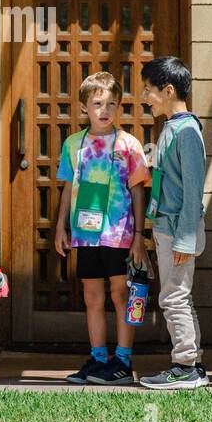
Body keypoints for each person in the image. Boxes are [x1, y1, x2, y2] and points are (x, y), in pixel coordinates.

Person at [54, 71, 149, 386]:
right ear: (84, 107)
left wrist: (138, 236)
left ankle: (122, 360)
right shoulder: (73, 144)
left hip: (119, 234)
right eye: (97, 104)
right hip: (85, 234)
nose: (104, 110)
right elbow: (68, 187)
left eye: (111, 104)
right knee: (92, 297)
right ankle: (97, 359)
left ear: (119, 106)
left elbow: (138, 189)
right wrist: (60, 228)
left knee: (121, 294)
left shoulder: (128, 144)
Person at [138, 56, 210, 389]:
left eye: (148, 90)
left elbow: (194, 191)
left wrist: (183, 240)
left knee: (174, 297)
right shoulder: (174, 128)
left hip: (178, 229)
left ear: (168, 91)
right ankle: (192, 364)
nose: (144, 97)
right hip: (169, 227)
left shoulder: (186, 132)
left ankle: (185, 366)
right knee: (179, 295)